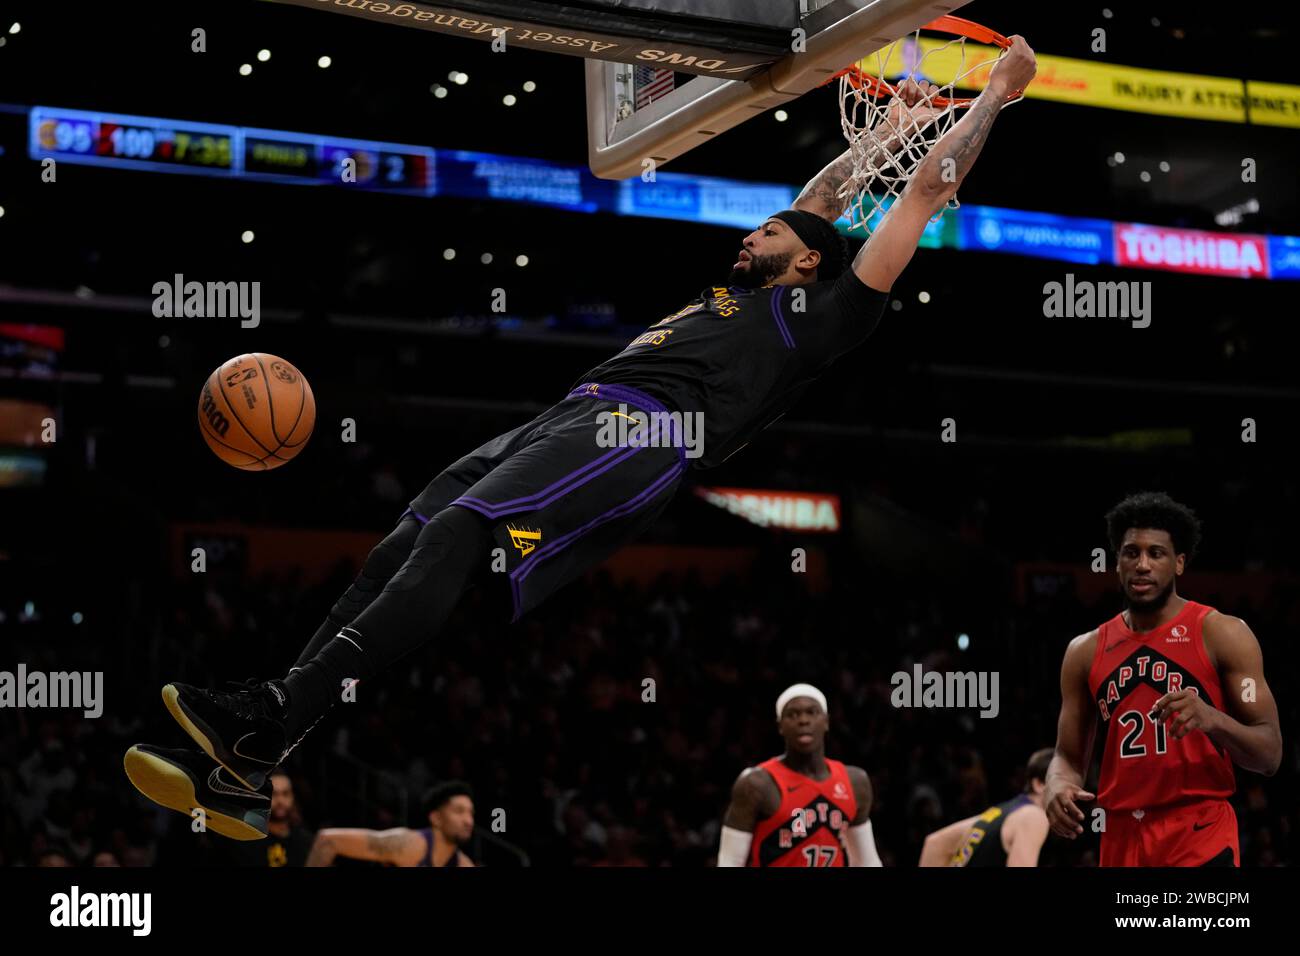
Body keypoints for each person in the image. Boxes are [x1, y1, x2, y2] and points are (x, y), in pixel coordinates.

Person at [126, 40, 1041, 837]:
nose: (752, 231)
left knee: (455, 536)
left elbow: (925, 191)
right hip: (570, 413)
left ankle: (271, 716)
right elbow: (819, 194)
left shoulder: (831, 310)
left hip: (639, 433)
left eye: (768, 230)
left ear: (804, 258)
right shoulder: (754, 285)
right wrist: (888, 130)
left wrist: (995, 92)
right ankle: (253, 757)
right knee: (398, 542)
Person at [1044, 492, 1282, 866]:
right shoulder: (1084, 651)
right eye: (1130, 553)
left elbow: (1269, 753)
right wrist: (1056, 784)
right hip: (1120, 836)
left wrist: (1212, 719)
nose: (1142, 564)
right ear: (1117, 562)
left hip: (1198, 830)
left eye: (1156, 553)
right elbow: (1067, 756)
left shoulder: (1223, 633)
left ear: (1179, 563)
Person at [717, 684, 881, 867]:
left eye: (812, 712)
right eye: (793, 714)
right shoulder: (756, 783)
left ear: (826, 721)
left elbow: (866, 861)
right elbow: (730, 861)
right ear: (780, 726)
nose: (803, 720)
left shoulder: (855, 782)